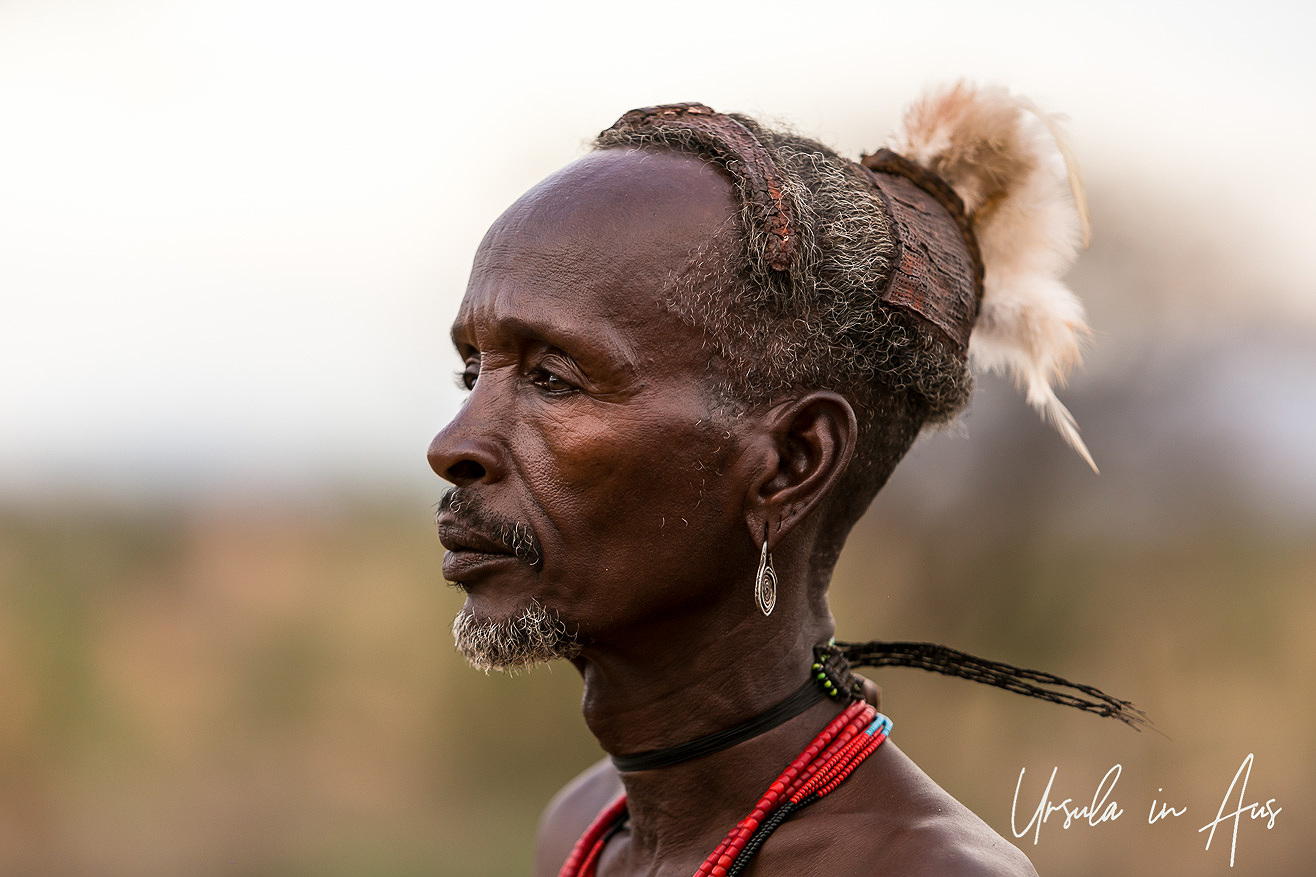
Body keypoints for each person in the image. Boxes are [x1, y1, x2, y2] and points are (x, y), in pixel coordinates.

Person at [428, 84, 1137, 876]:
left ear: (791, 462)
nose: (453, 443)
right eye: (471, 375)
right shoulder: (580, 832)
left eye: (553, 377)